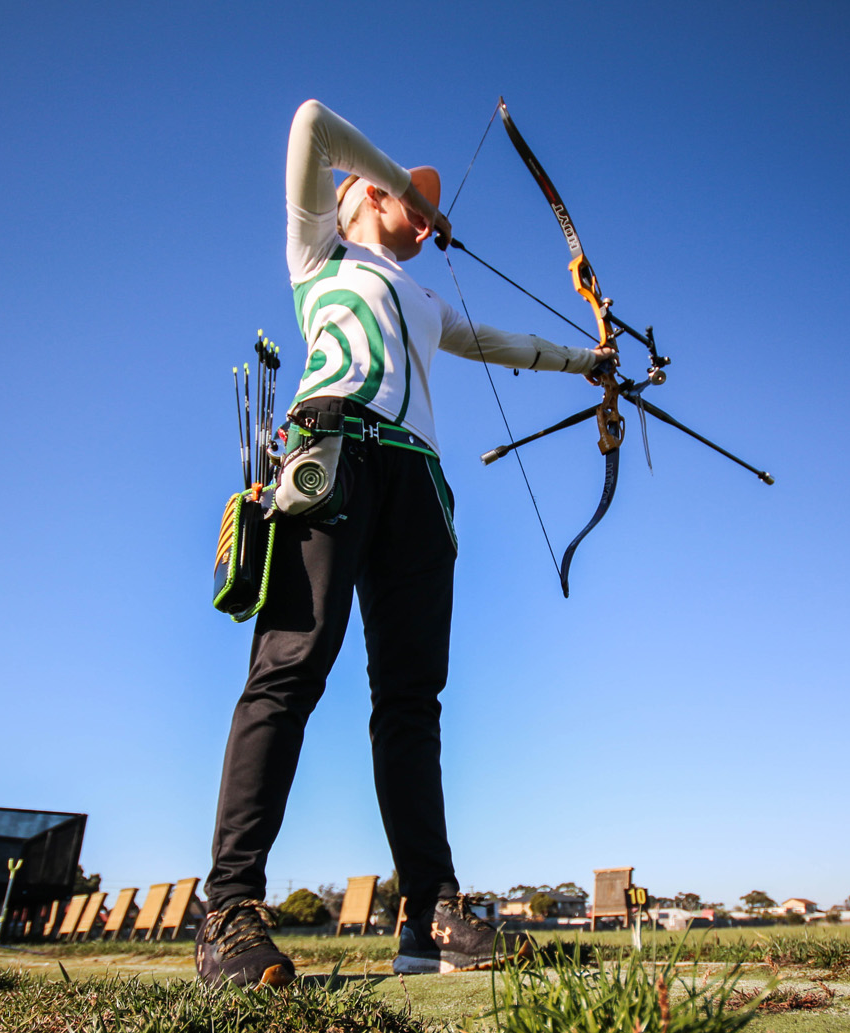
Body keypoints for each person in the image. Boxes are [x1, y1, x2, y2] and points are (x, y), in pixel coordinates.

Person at [195, 100, 616, 988]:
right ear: (358, 199)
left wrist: (589, 361)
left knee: (413, 701)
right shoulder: (319, 255)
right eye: (401, 199)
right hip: (332, 452)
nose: (420, 215)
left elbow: (498, 341)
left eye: (425, 206)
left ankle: (432, 915)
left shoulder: (423, 297)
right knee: (290, 666)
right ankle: (229, 909)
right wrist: (399, 183)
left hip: (418, 483)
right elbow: (310, 119)